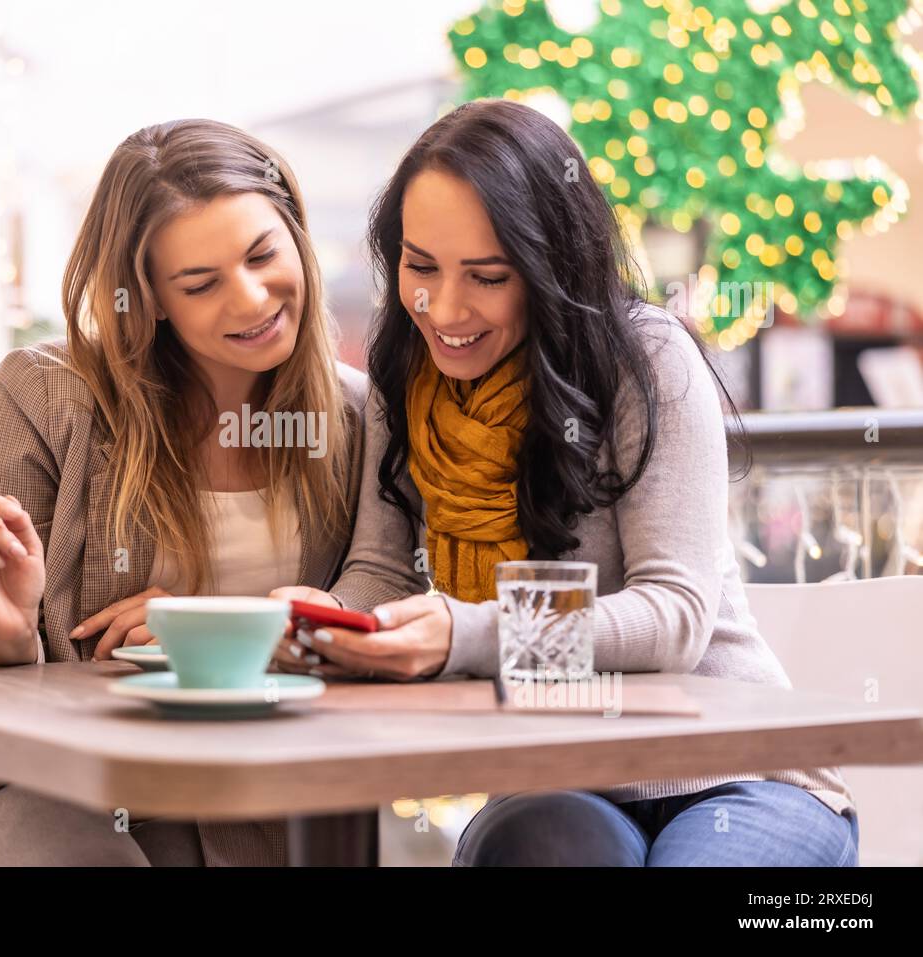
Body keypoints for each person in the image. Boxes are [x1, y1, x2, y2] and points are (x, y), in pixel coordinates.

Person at [274, 99, 858, 866]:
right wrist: (319, 620)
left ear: (551, 264)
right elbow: (385, 572)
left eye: (487, 276)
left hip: (738, 770)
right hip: (554, 771)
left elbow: (675, 615)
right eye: (421, 267)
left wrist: (470, 632)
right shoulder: (407, 371)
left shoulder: (644, 358)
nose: (444, 309)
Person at [0, 119, 421, 867]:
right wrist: (6, 636)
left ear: (297, 234)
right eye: (200, 284)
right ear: (150, 299)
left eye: (264, 254)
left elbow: (382, 583)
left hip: (273, 797)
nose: (250, 299)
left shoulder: (363, 415)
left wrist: (222, 625)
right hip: (57, 791)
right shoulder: (45, 398)